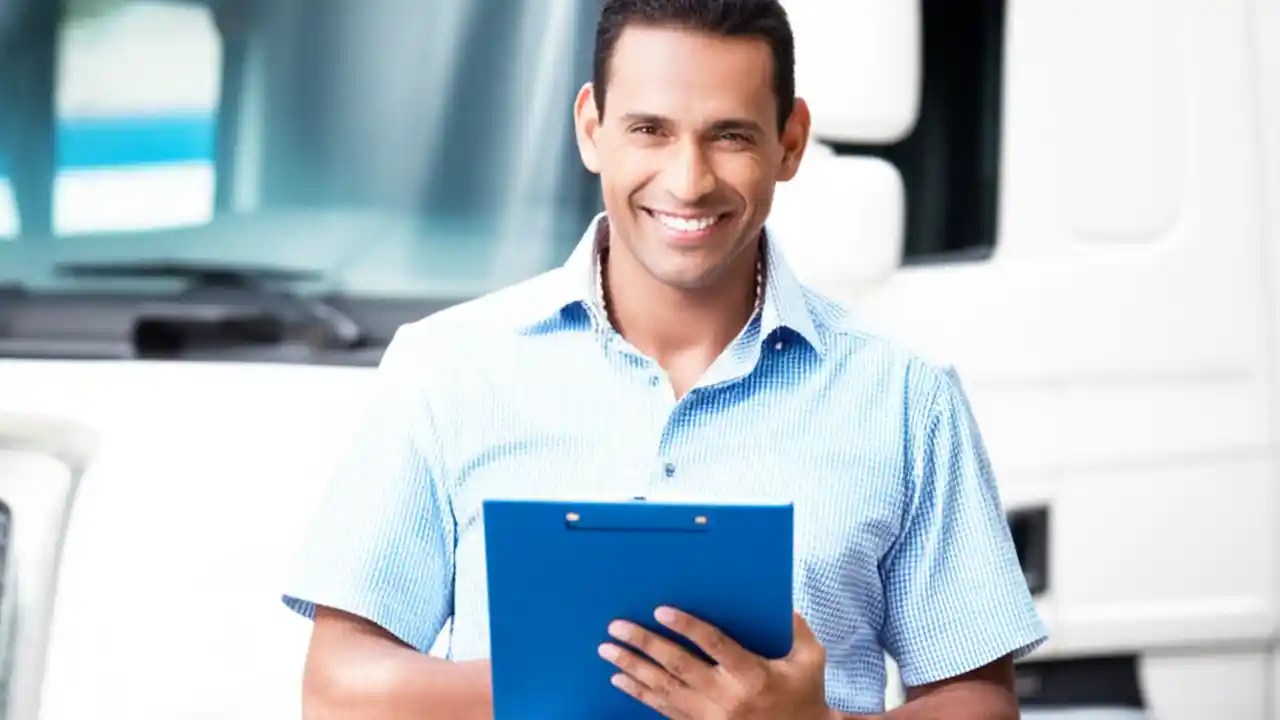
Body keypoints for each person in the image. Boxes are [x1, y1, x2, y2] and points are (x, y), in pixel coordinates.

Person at [283, 1, 1047, 717]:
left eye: (730, 135)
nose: (688, 181)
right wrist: (591, 681)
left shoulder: (908, 398)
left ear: (789, 141)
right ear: (591, 127)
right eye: (650, 129)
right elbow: (337, 688)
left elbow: (980, 701)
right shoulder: (447, 370)